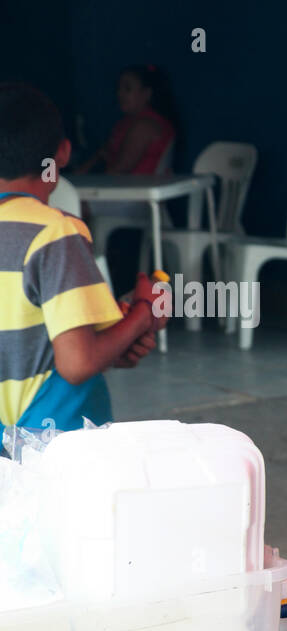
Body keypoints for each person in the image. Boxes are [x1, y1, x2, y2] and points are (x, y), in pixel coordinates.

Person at [0, 83, 165, 439]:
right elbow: (78, 363)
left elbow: (30, 344)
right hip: (51, 442)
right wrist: (142, 312)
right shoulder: (54, 233)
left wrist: (118, 339)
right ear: (62, 153)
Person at [73, 65, 177, 176]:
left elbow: (117, 171)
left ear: (146, 94)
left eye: (127, 89)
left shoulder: (145, 126)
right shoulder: (127, 123)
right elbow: (103, 155)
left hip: (135, 191)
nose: (120, 94)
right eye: (119, 88)